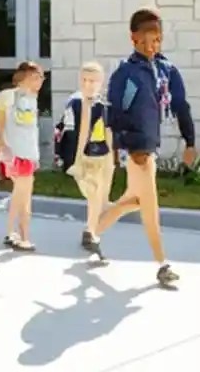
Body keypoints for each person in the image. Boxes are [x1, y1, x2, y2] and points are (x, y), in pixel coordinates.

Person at [95, 8, 198, 286]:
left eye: (158, 40)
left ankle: (93, 232)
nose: (153, 46)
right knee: (150, 207)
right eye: (147, 40)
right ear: (134, 39)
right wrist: (122, 147)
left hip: (151, 145)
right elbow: (115, 114)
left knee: (134, 201)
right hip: (137, 150)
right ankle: (162, 264)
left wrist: (190, 141)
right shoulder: (126, 73)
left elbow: (180, 106)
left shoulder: (167, 70)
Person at [57, 61, 115, 260]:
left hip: (101, 156)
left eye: (93, 81)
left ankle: (91, 234)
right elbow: (69, 133)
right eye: (84, 80)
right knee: (92, 196)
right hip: (83, 159)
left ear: (101, 82)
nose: (89, 84)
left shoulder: (103, 105)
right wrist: (73, 159)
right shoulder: (75, 103)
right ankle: (91, 234)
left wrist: (112, 159)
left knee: (98, 198)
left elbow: (108, 131)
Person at [0, 61, 45, 252]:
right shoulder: (8, 96)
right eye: (35, 77)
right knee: (22, 194)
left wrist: (35, 155)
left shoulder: (33, 99)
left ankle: (17, 233)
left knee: (23, 194)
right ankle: (18, 234)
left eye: (41, 77)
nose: (39, 81)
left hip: (28, 153)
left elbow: (32, 130)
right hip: (14, 152)